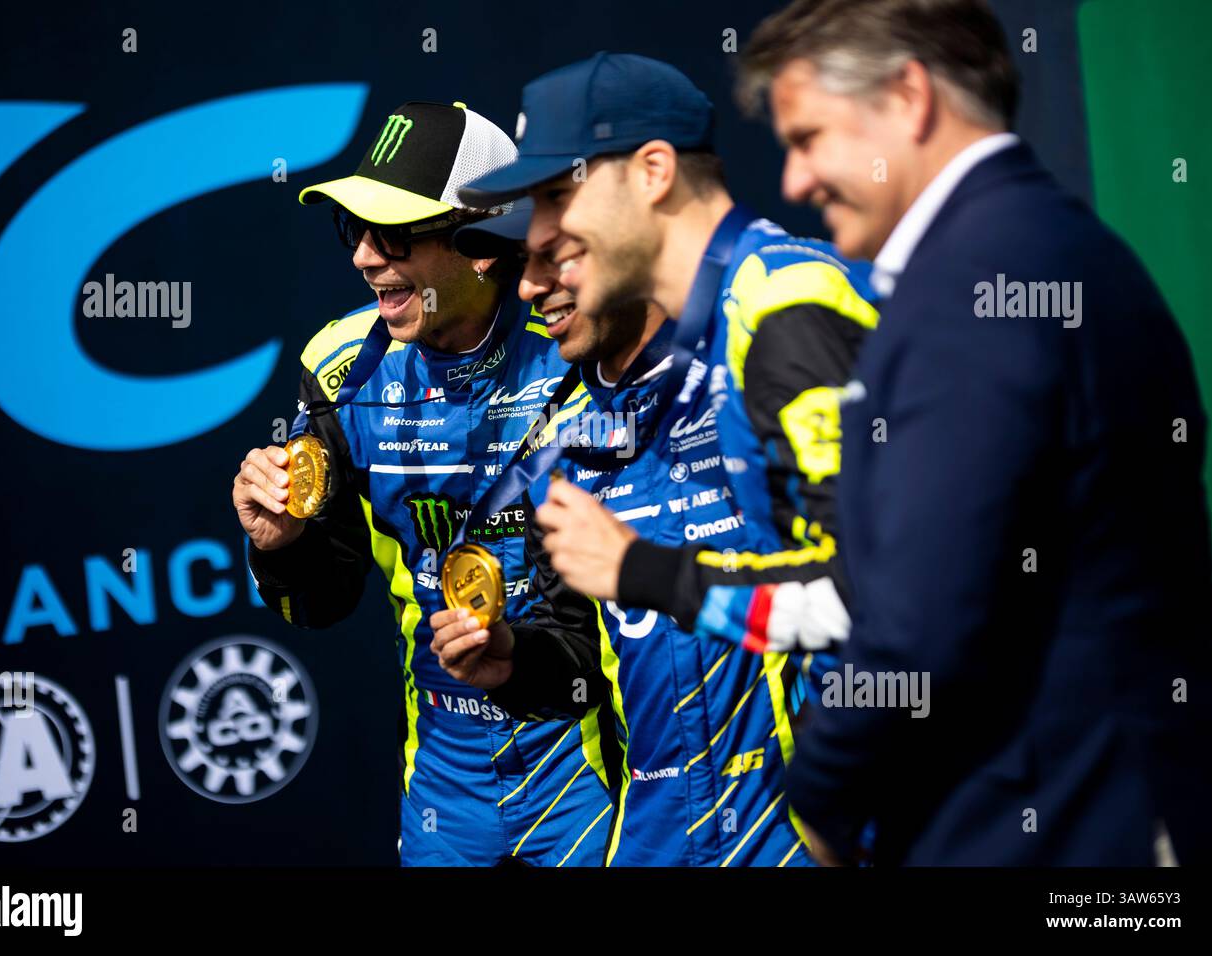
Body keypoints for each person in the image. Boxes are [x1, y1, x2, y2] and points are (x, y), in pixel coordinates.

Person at [738, 0, 1212, 865]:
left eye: (809, 137)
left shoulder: (972, 290)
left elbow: (918, 620)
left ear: (908, 98)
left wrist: (817, 792)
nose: (793, 181)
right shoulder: (1062, 248)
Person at [435, 53, 876, 865]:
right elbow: (582, 658)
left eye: (558, 204)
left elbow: (884, 599)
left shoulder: (779, 310)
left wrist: (645, 571)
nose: (534, 263)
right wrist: (512, 665)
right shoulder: (563, 436)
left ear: (653, 171)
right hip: (660, 844)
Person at [232, 101, 613, 867]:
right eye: (355, 231)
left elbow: (619, 614)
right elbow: (321, 600)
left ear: (479, 244)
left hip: (589, 766)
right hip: (445, 779)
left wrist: (515, 659)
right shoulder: (341, 366)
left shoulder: (579, 354)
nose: (364, 259)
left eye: (394, 235)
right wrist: (282, 545)